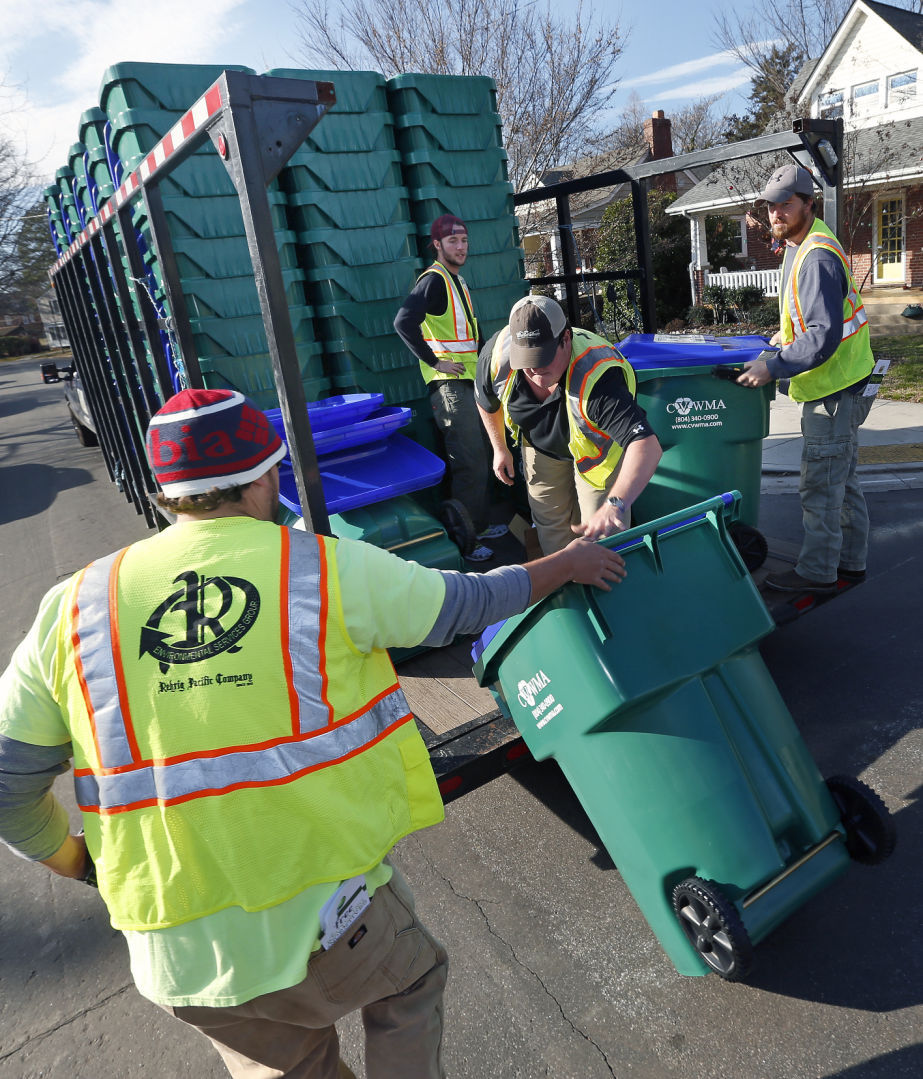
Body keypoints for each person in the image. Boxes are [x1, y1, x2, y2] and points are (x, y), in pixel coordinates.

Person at [0, 387, 626, 1079]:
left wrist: (73, 859)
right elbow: (464, 605)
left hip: (176, 953)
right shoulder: (317, 568)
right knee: (409, 982)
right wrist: (564, 564)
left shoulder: (73, 605)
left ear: (167, 492)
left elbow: (6, 779)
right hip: (322, 919)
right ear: (267, 476)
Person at [736, 164, 876, 594]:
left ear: (808, 204)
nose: (776, 213)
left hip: (832, 390)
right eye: (771, 206)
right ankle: (851, 562)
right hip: (846, 382)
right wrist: (785, 335)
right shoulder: (801, 243)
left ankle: (817, 572)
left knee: (820, 486)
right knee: (841, 479)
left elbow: (823, 336)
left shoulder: (814, 254)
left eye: (786, 205)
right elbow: (814, 318)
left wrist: (772, 365)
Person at [475, 294, 663, 556]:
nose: (535, 369)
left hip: (596, 454)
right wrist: (500, 448)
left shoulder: (599, 379)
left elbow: (647, 446)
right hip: (540, 446)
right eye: (527, 360)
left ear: (565, 339)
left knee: (604, 538)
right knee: (550, 528)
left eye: (543, 356)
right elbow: (486, 402)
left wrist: (615, 504)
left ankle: (607, 592)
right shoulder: (496, 358)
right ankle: (565, 589)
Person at [394, 214, 504, 562]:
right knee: (468, 461)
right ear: (437, 245)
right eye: (454, 241)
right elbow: (403, 322)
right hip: (450, 387)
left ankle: (481, 524)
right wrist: (435, 362)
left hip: (470, 382)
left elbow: (472, 333)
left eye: (465, 241)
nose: (461, 247)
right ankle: (467, 542)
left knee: (480, 457)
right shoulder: (434, 280)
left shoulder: (458, 281)